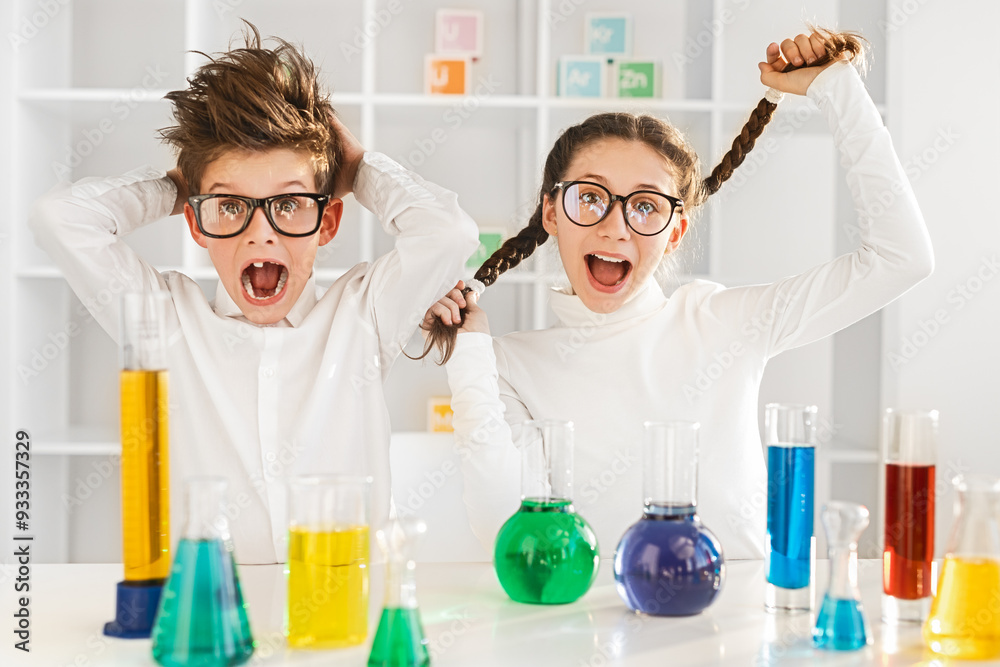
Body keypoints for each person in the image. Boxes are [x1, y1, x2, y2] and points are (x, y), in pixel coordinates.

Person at [420, 30, 934, 560]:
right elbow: (504, 528)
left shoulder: (724, 322)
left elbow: (902, 258)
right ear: (552, 212)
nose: (615, 227)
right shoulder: (508, 365)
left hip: (743, 610)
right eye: (591, 197)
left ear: (675, 232)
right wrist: (469, 352)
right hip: (596, 612)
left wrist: (836, 88)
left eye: (645, 206)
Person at [30, 25, 479, 563]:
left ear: (327, 221)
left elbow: (449, 233)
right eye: (230, 206)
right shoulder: (165, 322)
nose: (260, 234)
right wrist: (179, 187)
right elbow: (59, 219)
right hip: (215, 606)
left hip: (347, 604)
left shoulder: (365, 314)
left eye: (288, 204)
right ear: (196, 224)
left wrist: (358, 168)